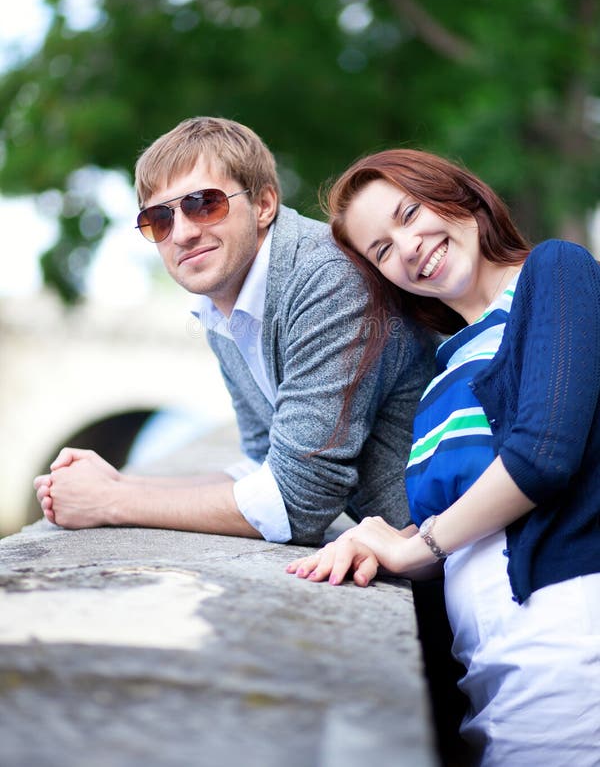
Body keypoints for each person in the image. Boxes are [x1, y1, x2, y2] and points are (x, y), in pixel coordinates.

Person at [287, 148, 600, 765]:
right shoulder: (443, 371)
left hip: (570, 638)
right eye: (380, 249)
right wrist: (381, 541)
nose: (407, 247)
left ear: (459, 194)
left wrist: (414, 546)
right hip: (488, 673)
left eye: (410, 212)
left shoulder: (556, 275)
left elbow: (541, 457)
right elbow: (470, 529)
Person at [34, 118, 434, 546]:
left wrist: (112, 503)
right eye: (159, 219)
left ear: (264, 205)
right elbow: (262, 465)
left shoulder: (328, 279)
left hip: (459, 553)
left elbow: (295, 504)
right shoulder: (220, 306)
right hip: (417, 549)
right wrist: (120, 484)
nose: (184, 233)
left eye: (204, 204)